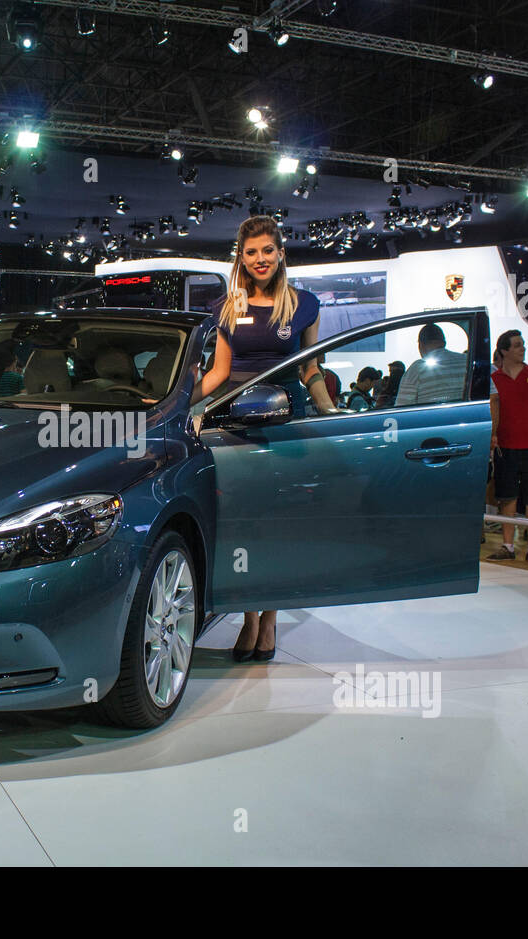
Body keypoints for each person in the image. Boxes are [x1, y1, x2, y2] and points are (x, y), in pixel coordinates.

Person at [193, 215, 331, 662]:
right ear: (241, 257)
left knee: (278, 523)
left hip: (286, 424)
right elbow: (219, 372)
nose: (259, 259)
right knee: (240, 523)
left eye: (267, 250)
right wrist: (178, 401)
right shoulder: (226, 308)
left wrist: (330, 411)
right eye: (250, 252)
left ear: (280, 253)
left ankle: (268, 617)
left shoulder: (304, 304)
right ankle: (247, 617)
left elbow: (311, 367)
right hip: (236, 423)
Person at [486, 329, 528, 563]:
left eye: (522, 344)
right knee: (507, 498)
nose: (522, 348)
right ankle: (508, 545)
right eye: (517, 345)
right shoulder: (494, 380)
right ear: (504, 350)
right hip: (505, 448)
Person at [394, 323, 466, 406]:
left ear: (421, 344)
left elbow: (402, 408)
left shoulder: (417, 369)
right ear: (444, 343)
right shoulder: (466, 360)